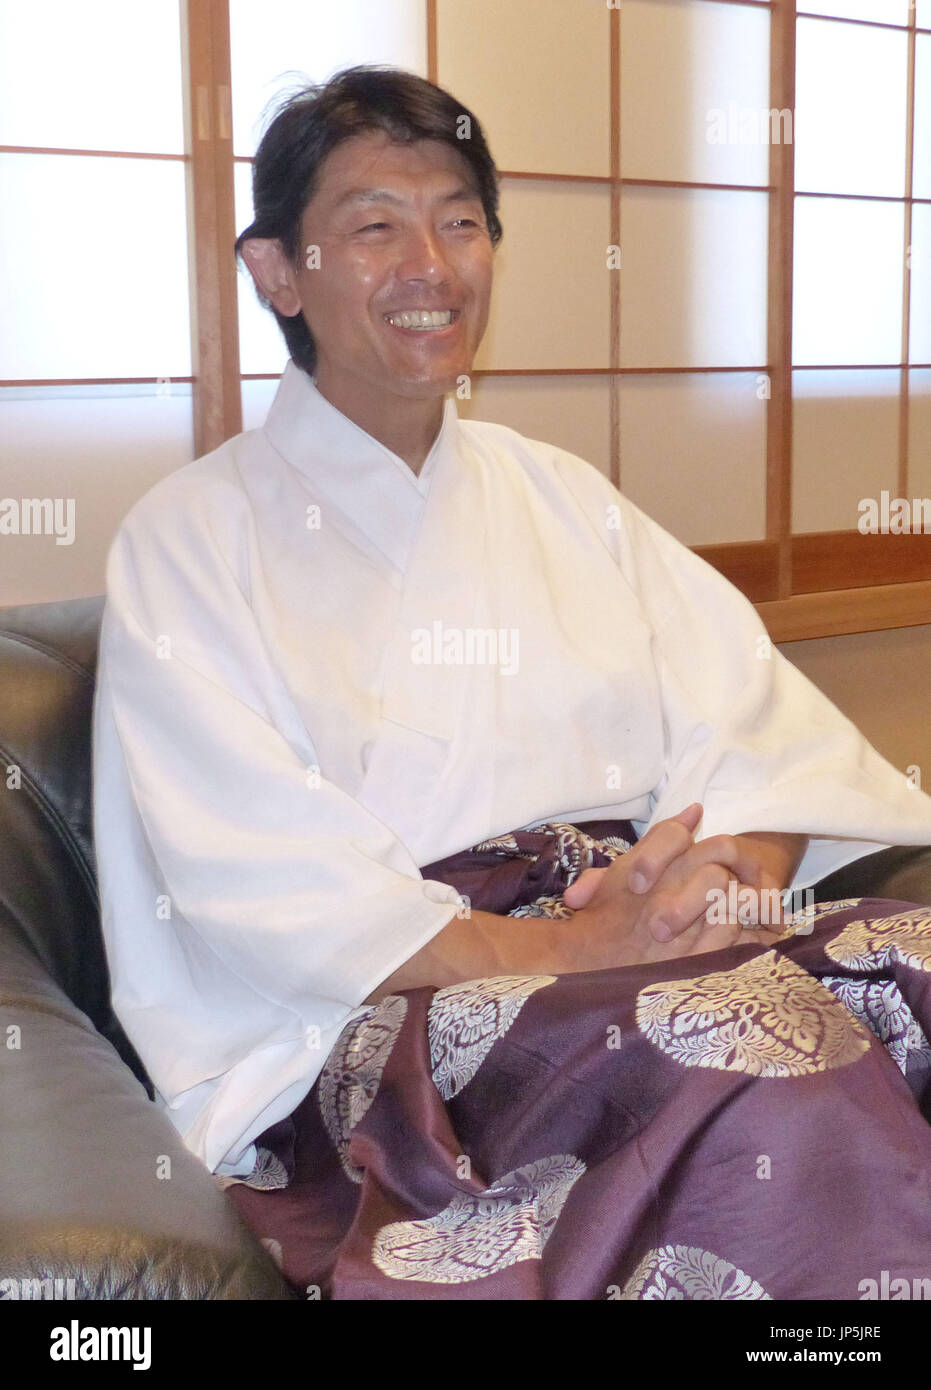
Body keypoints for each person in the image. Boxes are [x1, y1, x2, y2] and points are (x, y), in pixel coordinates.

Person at [92, 67, 931, 1300]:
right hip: (389, 1007)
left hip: (635, 928)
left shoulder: (560, 494)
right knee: (758, 1058)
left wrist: (718, 879)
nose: (430, 264)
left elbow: (754, 727)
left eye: (461, 221)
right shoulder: (187, 540)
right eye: (375, 225)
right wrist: (578, 943)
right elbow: (265, 883)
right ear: (277, 272)